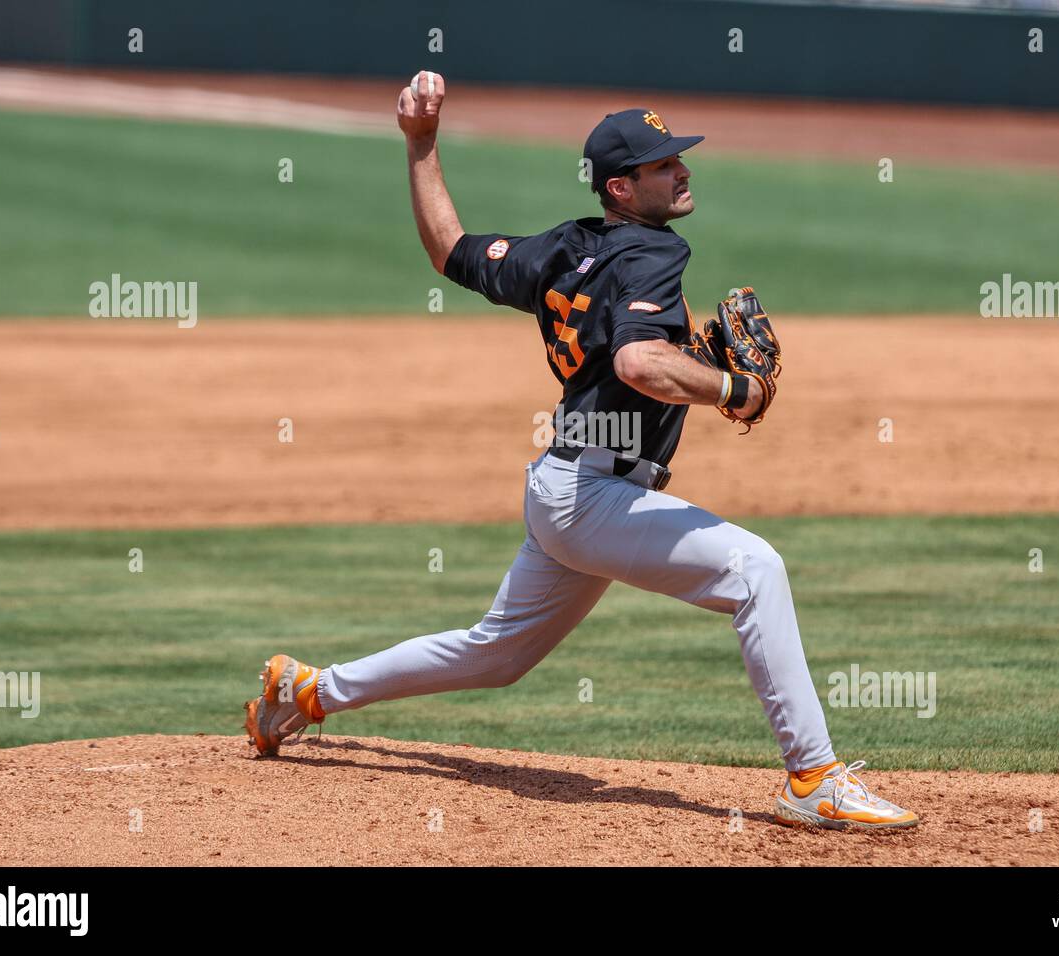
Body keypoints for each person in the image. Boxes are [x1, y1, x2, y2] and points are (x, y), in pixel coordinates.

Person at [245, 70, 918, 830]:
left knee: (495, 655)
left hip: (565, 489)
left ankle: (306, 689)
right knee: (756, 569)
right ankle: (813, 779)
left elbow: (449, 251)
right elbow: (638, 364)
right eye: (665, 165)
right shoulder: (652, 255)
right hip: (595, 495)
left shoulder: (565, 248)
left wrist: (422, 144)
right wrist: (736, 389)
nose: (683, 170)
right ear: (623, 189)